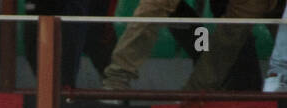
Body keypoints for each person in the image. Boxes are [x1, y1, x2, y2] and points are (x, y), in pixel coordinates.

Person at [100, 0, 276, 92]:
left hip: (209, 25)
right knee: (156, 7)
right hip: (195, 25)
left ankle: (198, 90)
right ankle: (118, 77)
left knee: (232, 32)